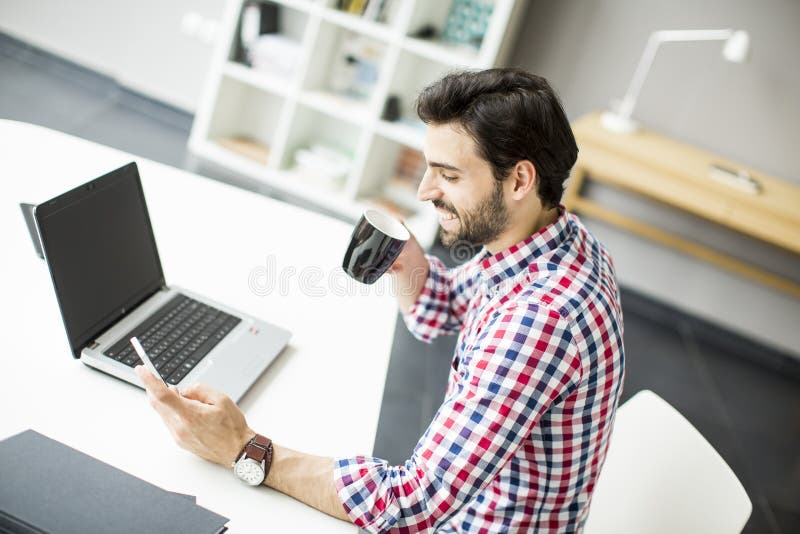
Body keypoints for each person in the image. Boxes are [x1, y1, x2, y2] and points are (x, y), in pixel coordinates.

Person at [135, 68, 625, 533]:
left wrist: (243, 448)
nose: (424, 190)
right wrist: (410, 262)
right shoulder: (555, 239)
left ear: (519, 180)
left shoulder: (540, 319)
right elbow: (448, 308)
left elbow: (408, 506)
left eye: (449, 176)